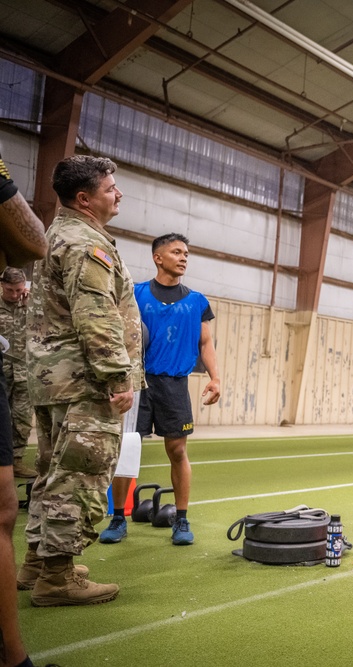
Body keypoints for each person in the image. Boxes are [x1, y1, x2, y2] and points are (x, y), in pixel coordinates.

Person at [17, 155, 143, 608]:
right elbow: (97, 315)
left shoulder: (59, 235)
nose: (118, 193)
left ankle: (38, 561)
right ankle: (58, 577)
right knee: (81, 476)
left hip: (56, 380)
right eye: (111, 188)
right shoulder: (85, 244)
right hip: (85, 381)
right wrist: (117, 376)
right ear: (85, 199)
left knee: (53, 472)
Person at [101, 233, 221, 546]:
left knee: (177, 451)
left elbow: (205, 343)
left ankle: (181, 520)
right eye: (176, 252)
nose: (183, 257)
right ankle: (117, 518)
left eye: (186, 253)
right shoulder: (135, 293)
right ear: (158, 257)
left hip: (174, 385)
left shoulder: (197, 302)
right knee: (126, 449)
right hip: (137, 383)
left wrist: (215, 377)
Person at [0, 151, 47, 667]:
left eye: (20, 286)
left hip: (18, 385)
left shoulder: (27, 307)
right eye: (10, 284)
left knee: (17, 441)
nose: (16, 290)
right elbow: (33, 239)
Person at [0, 268, 36, 478]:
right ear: (2, 286)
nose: (15, 295)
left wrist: (33, 305)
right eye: (10, 290)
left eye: (19, 290)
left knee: (22, 418)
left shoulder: (30, 303)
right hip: (2, 370)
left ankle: (16, 461)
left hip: (24, 370)